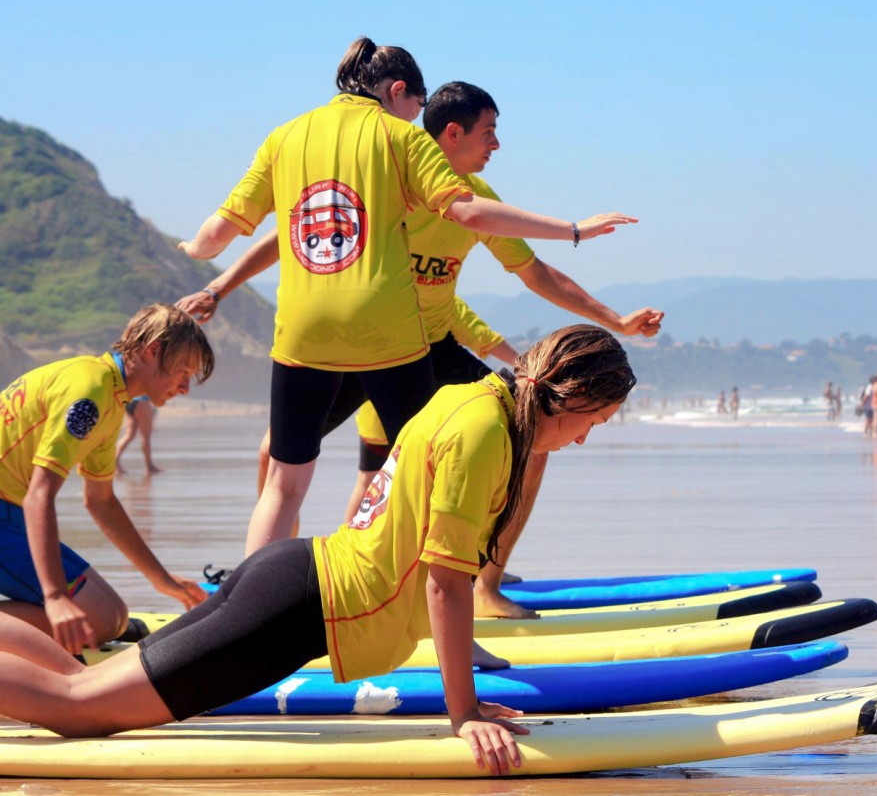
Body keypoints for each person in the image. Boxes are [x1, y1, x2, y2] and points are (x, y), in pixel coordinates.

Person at [0, 325, 635, 777]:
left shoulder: (466, 398)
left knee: (83, 685)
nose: (582, 439)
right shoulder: (487, 436)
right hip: (296, 610)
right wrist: (462, 710)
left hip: (293, 580)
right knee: (77, 711)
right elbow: (445, 583)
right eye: (594, 422)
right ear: (573, 395)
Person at [180, 79, 662, 617]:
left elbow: (535, 274)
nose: (496, 146)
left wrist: (615, 320)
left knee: (531, 431)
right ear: (451, 133)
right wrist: (218, 288)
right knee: (281, 456)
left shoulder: (481, 202)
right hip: (360, 348)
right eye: (489, 133)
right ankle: (262, 599)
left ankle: (484, 586)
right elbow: (289, 233)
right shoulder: (392, 176)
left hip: (427, 348)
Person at [0, 304, 213, 654]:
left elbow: (100, 500)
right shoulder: (90, 392)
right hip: (7, 511)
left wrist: (161, 580)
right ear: (152, 351)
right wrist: (54, 598)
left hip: (10, 513)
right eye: (183, 371)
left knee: (112, 615)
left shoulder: (108, 396)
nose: (186, 387)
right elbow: (40, 495)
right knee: (97, 619)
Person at [115, 396, 161, 475]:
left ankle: (115, 462)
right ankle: (149, 466)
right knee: (145, 437)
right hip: (142, 401)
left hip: (129, 400)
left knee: (129, 435)